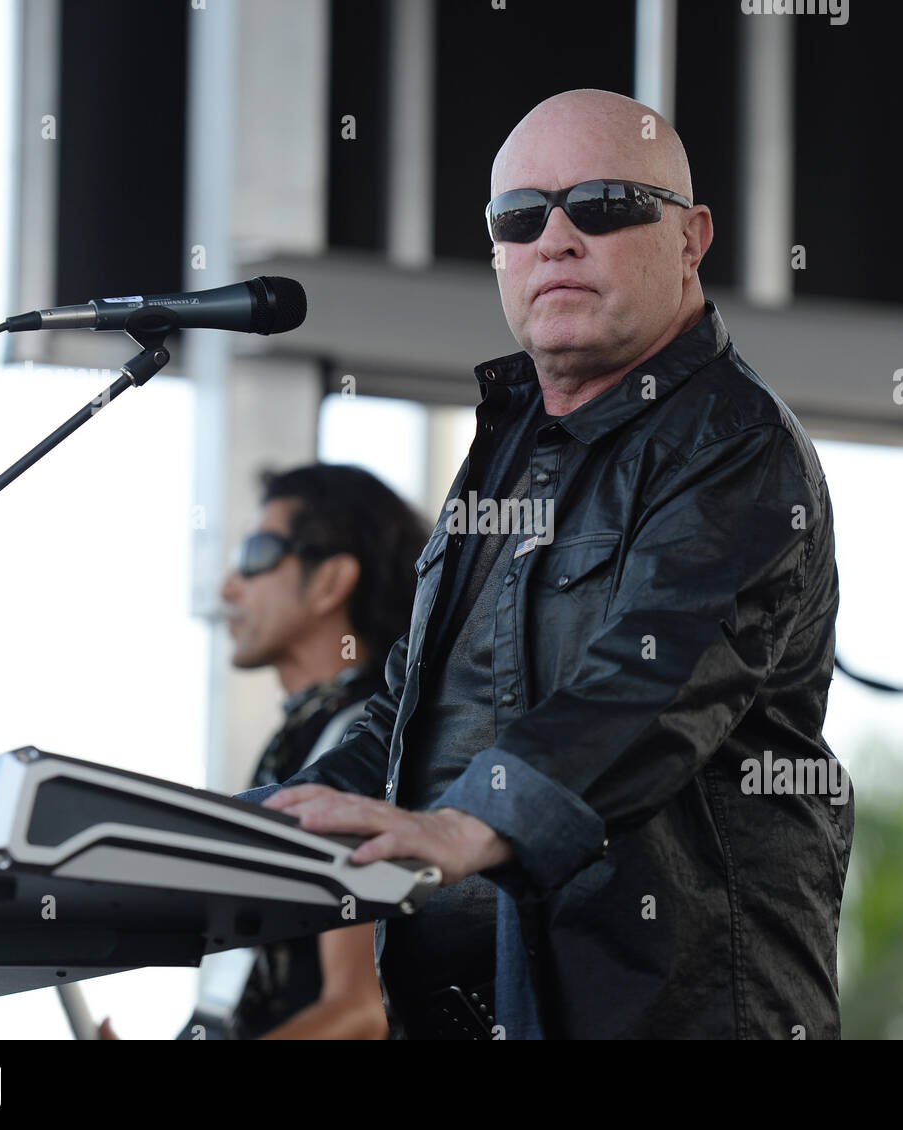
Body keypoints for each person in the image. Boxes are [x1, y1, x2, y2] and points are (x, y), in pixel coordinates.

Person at [240, 89, 854, 1040]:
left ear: (691, 239)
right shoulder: (512, 447)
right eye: (520, 218)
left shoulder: (736, 445)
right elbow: (412, 708)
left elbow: (648, 685)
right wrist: (225, 837)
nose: (556, 238)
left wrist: (463, 825)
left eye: (603, 204)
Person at [102, 463, 427, 1040]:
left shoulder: (361, 744)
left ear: (330, 581)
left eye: (255, 554)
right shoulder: (302, 738)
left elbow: (361, 1012)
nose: (229, 587)